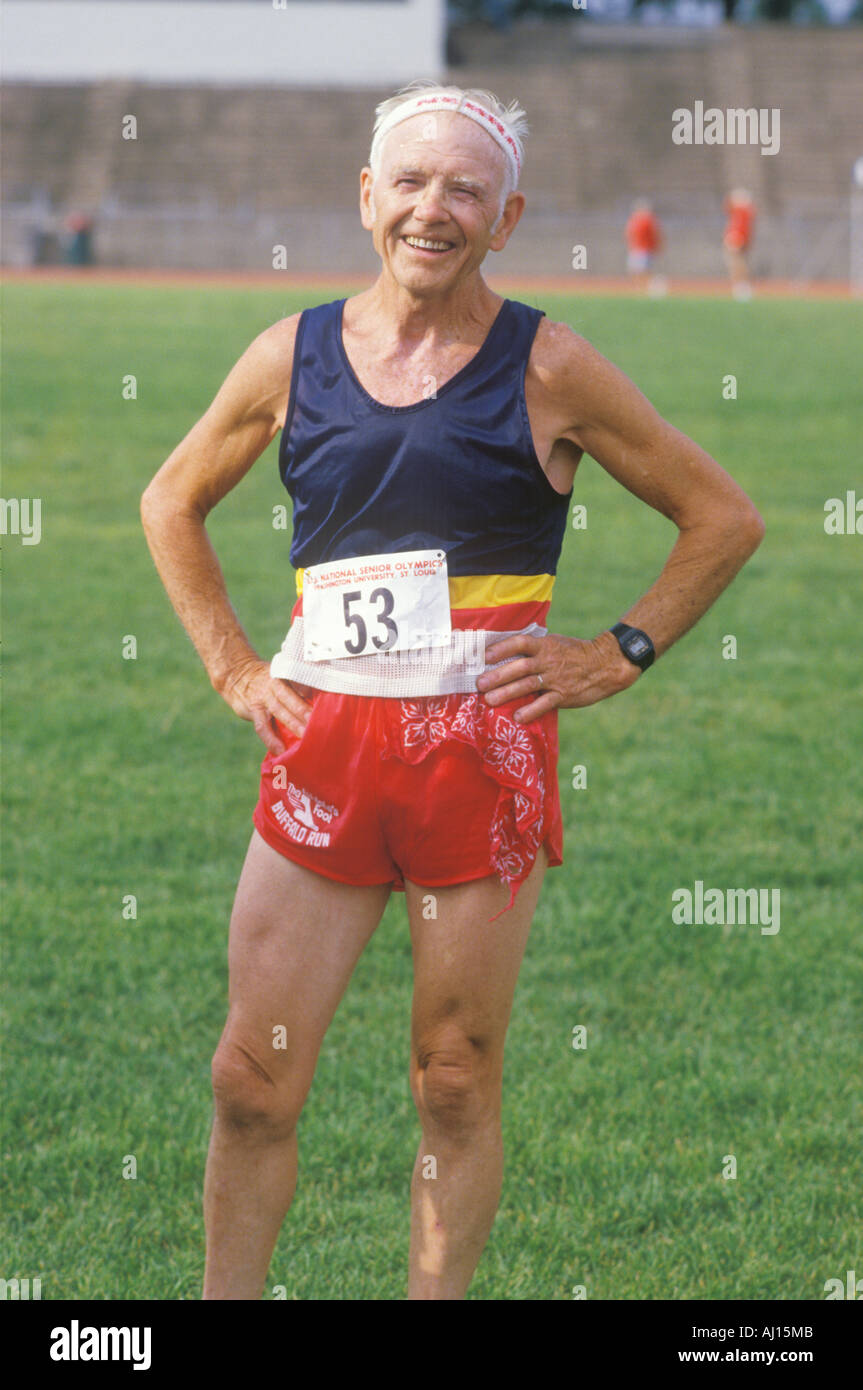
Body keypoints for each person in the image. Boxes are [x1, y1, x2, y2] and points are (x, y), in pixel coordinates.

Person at [140, 80, 765, 1301]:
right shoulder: (291, 353)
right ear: (366, 197)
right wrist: (228, 661)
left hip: (478, 764)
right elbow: (170, 498)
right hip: (322, 749)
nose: (435, 207)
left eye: (464, 189)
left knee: (454, 1075)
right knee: (248, 1079)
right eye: (411, 182)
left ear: (506, 215)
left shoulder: (550, 364)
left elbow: (720, 516)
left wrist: (614, 652)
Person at [625, 198, 665, 296]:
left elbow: (653, 236)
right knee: (636, 272)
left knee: (643, 272)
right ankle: (642, 289)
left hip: (643, 249)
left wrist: (654, 247)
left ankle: (653, 287)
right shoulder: (636, 220)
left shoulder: (647, 221)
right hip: (637, 249)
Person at [723, 188, 756, 300]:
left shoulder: (741, 211)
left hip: (737, 237)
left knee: (737, 262)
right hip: (739, 237)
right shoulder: (744, 211)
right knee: (739, 262)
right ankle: (741, 285)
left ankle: (741, 286)